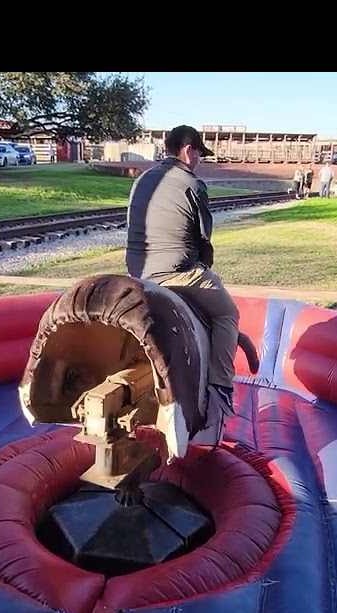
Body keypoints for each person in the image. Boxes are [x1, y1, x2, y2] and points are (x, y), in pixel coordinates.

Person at [125, 124, 240, 420]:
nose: (200, 160)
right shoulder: (191, 184)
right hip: (176, 274)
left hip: (139, 273)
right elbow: (203, 239)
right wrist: (205, 268)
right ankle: (221, 387)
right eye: (200, 153)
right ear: (188, 151)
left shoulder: (141, 181)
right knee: (227, 313)